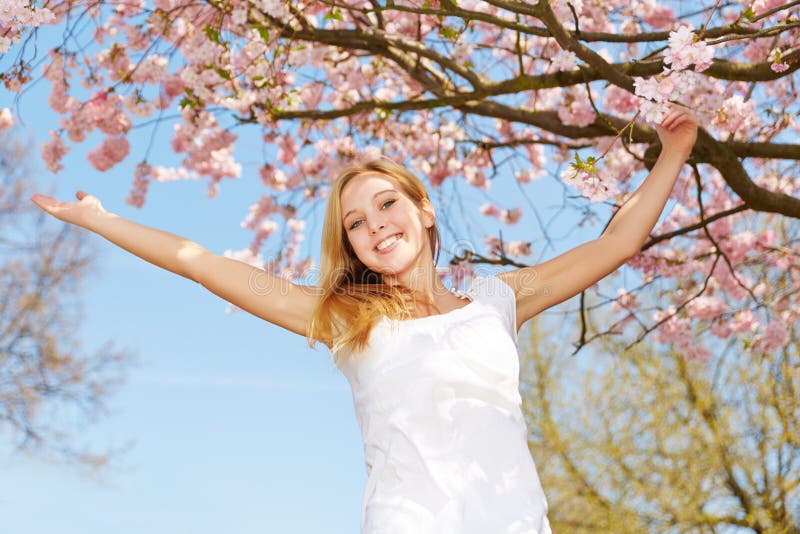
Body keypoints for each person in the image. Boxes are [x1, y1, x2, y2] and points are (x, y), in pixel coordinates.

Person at [31, 105, 698, 533]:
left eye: (386, 205)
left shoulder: (498, 301)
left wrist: (674, 151)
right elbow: (200, 262)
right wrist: (103, 220)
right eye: (356, 222)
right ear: (349, 244)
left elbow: (616, 243)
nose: (375, 225)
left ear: (425, 210)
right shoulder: (345, 317)